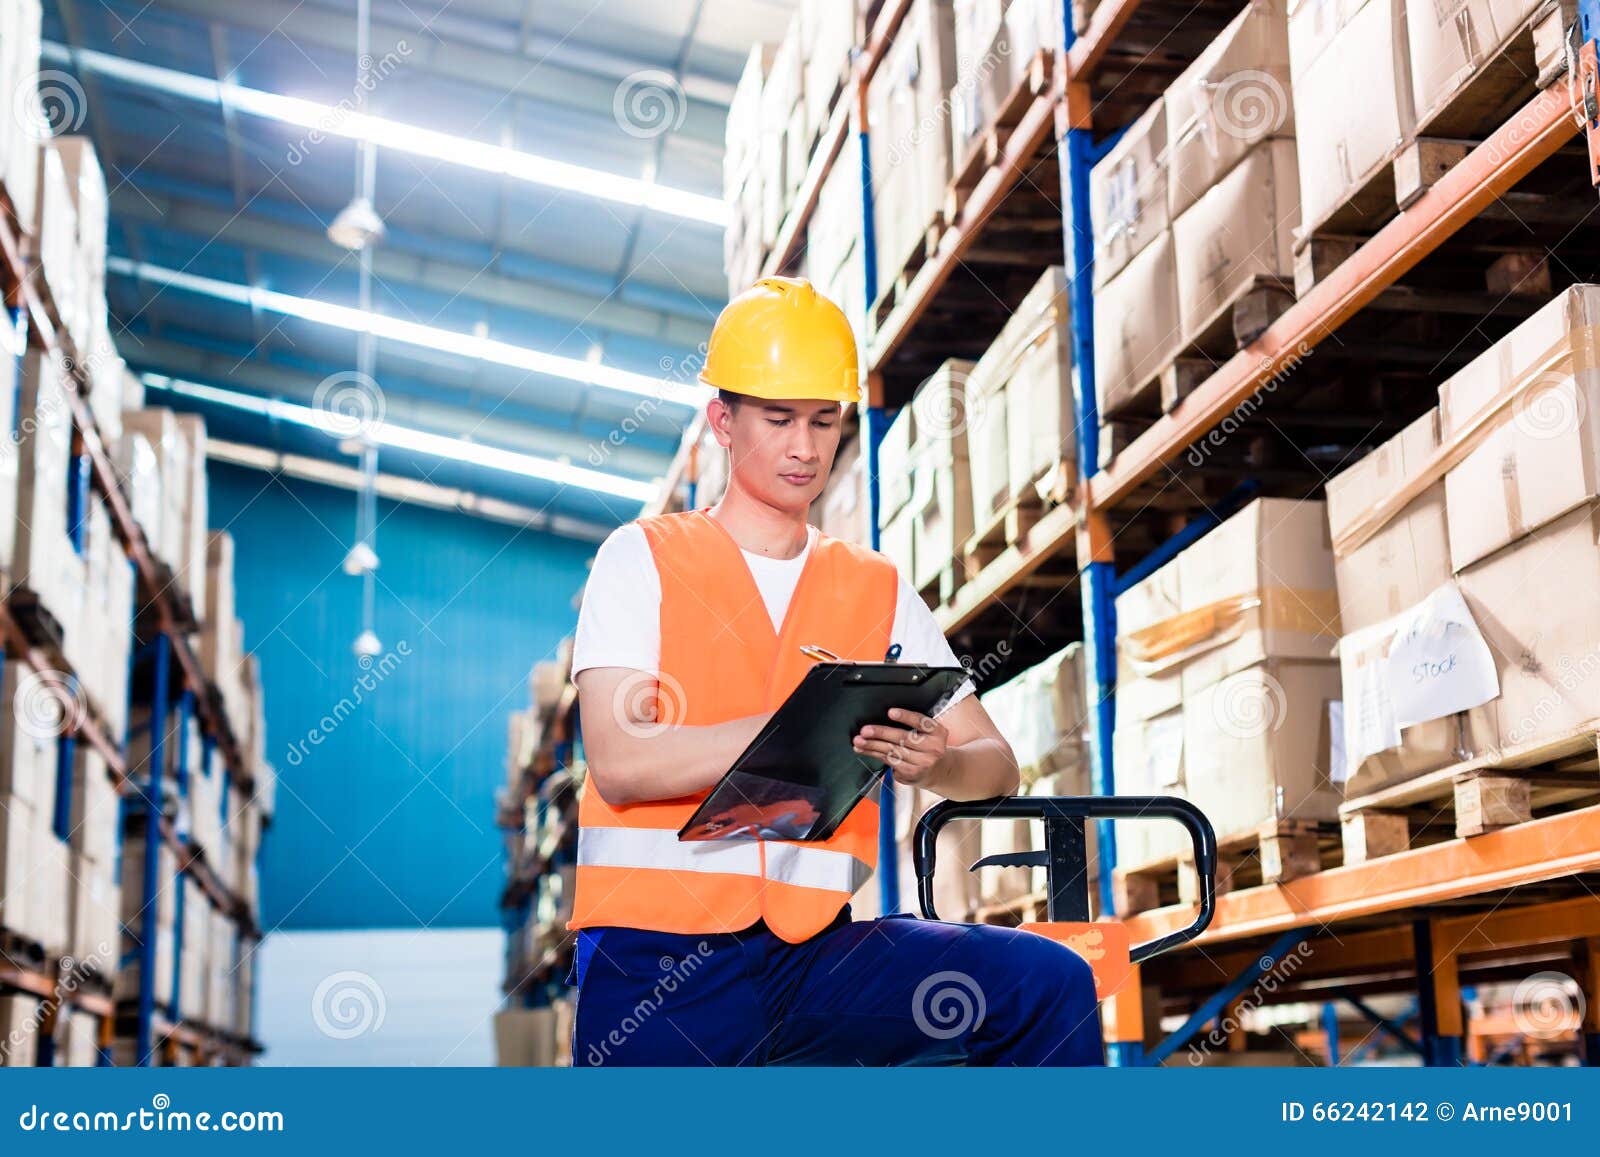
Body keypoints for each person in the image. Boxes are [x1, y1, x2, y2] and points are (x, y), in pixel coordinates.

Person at [567, 277, 1102, 1067]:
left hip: (814, 956)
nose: (805, 447)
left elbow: (995, 764)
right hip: (656, 966)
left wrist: (938, 762)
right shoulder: (643, 558)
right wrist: (788, 728)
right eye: (778, 418)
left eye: (824, 420)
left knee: (1046, 983)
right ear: (723, 422)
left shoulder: (876, 586)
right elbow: (619, 760)